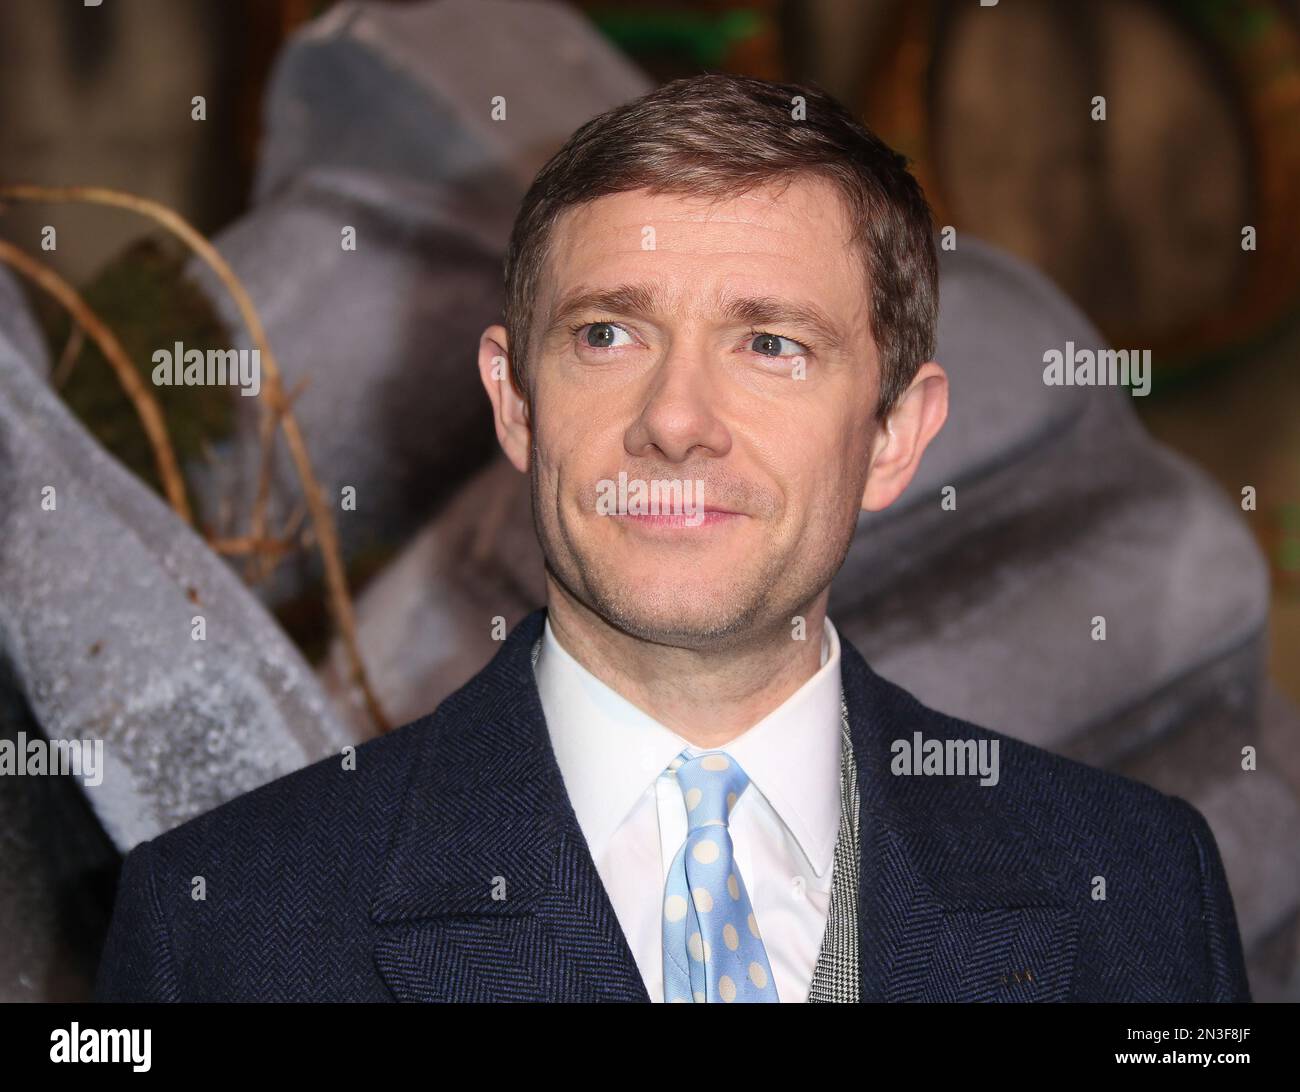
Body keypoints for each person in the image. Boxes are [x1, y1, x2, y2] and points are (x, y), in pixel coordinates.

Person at [95, 72, 1249, 1003]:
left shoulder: (1139, 892)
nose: (677, 423)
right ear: (513, 400)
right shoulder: (229, 927)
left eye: (770, 345)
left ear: (895, 433)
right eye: (607, 335)